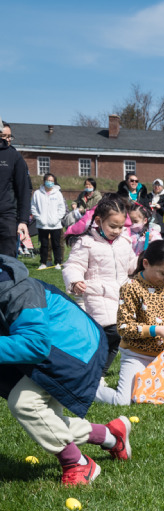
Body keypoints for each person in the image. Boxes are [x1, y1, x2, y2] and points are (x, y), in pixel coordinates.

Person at [1, 251, 134, 485]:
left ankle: (79, 463)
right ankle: (111, 436)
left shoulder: (16, 290)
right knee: (47, 420)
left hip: (76, 350)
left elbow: (34, 345)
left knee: (26, 403)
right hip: (55, 350)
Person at [94, 240, 164, 406]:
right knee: (122, 402)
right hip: (137, 355)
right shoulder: (131, 288)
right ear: (146, 264)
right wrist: (156, 330)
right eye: (163, 273)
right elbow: (124, 327)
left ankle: (158, 385)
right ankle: (92, 388)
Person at [62, 197, 138, 372]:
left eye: (121, 227)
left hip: (122, 294)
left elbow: (130, 265)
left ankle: (99, 372)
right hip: (97, 294)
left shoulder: (124, 242)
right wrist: (75, 280)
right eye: (113, 226)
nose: (117, 231)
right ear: (98, 221)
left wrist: (144, 262)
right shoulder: (87, 243)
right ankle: (87, 368)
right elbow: (73, 265)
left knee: (118, 336)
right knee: (112, 331)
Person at [0, 123, 32, 259]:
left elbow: (24, 190)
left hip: (7, 217)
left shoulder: (15, 157)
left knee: (7, 263)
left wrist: (23, 220)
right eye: (3, 136)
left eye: (9, 136)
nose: (7, 139)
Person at [31, 173, 66, 270]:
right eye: (48, 180)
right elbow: (33, 207)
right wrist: (39, 218)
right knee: (44, 244)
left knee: (56, 244)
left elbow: (62, 208)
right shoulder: (37, 193)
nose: (50, 182)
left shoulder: (58, 193)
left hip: (56, 225)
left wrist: (57, 219)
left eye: (52, 181)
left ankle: (58, 262)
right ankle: (43, 262)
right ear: (44, 181)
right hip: (42, 225)